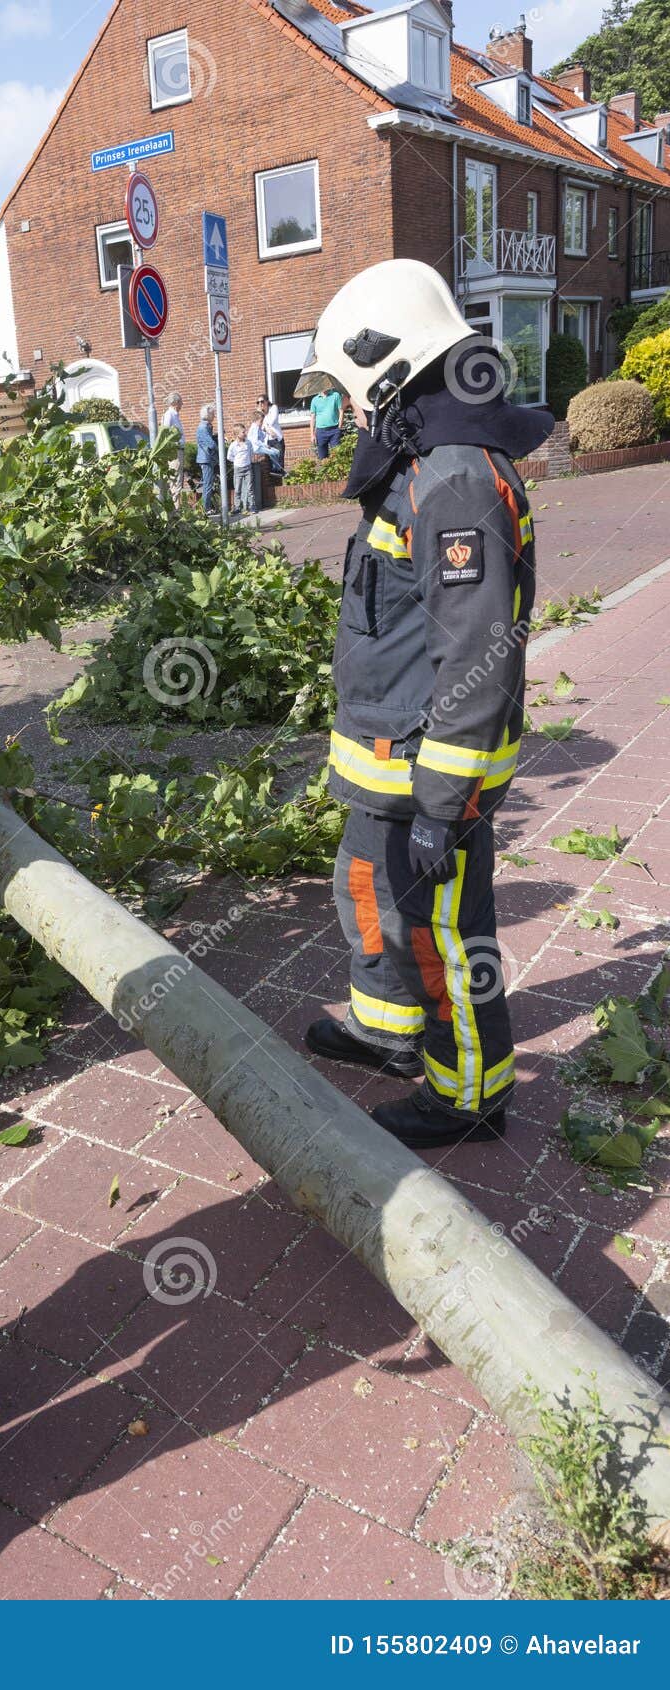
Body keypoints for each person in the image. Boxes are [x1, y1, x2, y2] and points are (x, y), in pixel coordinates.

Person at [298, 258, 552, 1150]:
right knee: (365, 894)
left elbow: (479, 662)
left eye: (353, 391)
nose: (353, 412)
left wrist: (442, 808)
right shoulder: (421, 464)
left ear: (387, 368)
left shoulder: (450, 484)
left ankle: (470, 1095)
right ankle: (387, 1030)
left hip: (425, 777)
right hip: (383, 763)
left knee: (446, 938)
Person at [310, 380, 344, 458]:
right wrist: (312, 435)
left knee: (337, 455)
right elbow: (313, 418)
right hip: (320, 432)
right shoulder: (315, 400)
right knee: (323, 457)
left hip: (334, 430)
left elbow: (341, 411)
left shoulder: (336, 395)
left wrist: (339, 427)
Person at [161, 390, 186, 493]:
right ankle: (176, 508)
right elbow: (165, 432)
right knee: (175, 479)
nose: (182, 404)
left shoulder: (174, 415)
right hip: (174, 451)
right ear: (175, 403)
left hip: (178, 450)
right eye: (180, 402)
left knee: (178, 478)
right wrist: (175, 444)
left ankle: (177, 507)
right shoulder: (169, 415)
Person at [255, 393, 285, 476]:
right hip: (267, 442)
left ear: (267, 402)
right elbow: (259, 426)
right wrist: (266, 427)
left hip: (277, 440)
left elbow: (271, 422)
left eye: (262, 401)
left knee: (279, 466)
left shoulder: (274, 408)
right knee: (272, 467)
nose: (260, 404)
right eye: (258, 403)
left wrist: (264, 421)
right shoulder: (261, 414)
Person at [226, 423, 253, 514]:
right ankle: (237, 507)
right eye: (243, 432)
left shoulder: (248, 443)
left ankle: (251, 505)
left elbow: (250, 453)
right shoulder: (233, 445)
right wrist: (237, 461)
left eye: (245, 431)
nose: (245, 433)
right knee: (237, 488)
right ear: (237, 434)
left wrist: (248, 461)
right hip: (238, 469)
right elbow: (229, 457)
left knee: (249, 487)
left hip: (248, 467)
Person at [196, 403, 218, 511]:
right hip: (206, 459)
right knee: (207, 485)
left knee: (208, 484)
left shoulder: (206, 426)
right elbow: (210, 444)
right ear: (208, 414)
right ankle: (206, 509)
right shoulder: (203, 427)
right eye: (213, 413)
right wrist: (218, 446)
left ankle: (206, 508)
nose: (214, 415)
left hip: (207, 458)